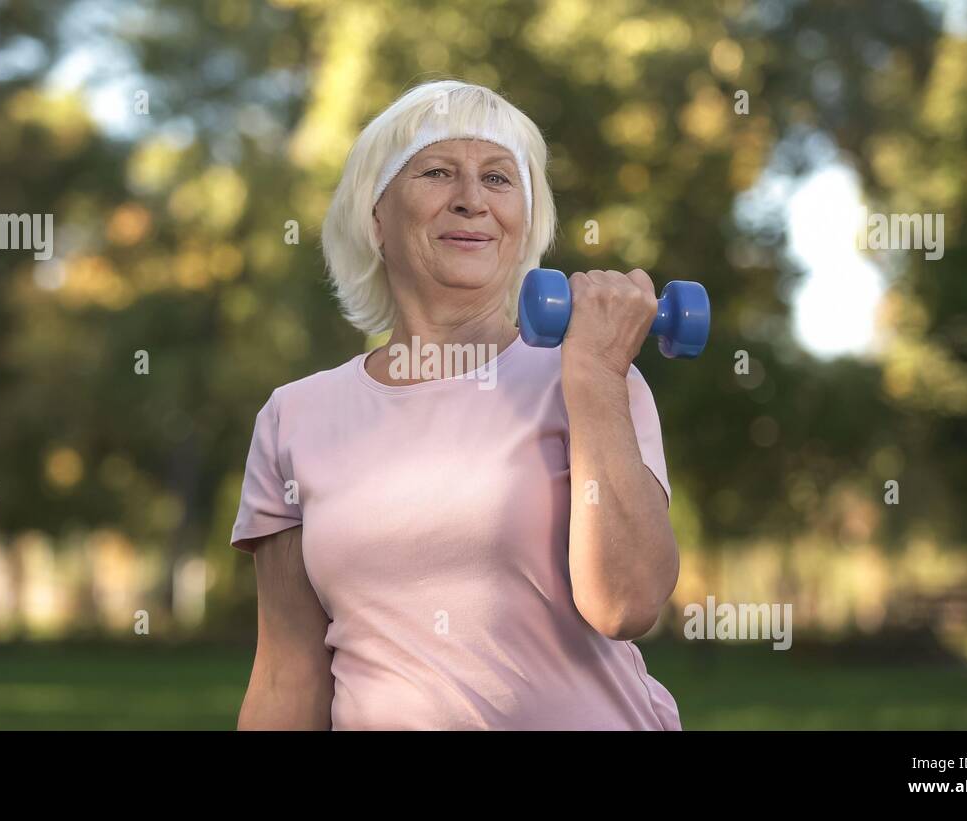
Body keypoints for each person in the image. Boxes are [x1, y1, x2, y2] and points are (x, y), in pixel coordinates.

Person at [231, 79, 682, 730]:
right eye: (439, 172)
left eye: (499, 179)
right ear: (376, 216)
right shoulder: (295, 418)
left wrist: (595, 375)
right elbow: (285, 676)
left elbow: (629, 601)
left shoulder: (593, 378)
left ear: (524, 221)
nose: (472, 200)